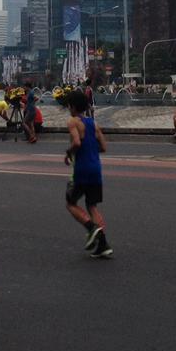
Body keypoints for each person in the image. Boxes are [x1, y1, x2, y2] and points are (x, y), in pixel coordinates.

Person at [64, 90, 112, 259]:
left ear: (73, 106)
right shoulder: (93, 123)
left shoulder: (73, 121)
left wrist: (69, 153)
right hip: (96, 169)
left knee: (70, 203)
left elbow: (76, 142)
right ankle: (103, 244)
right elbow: (104, 147)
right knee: (92, 206)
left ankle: (91, 228)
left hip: (82, 169)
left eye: (69, 105)